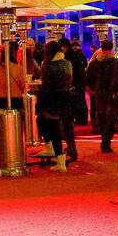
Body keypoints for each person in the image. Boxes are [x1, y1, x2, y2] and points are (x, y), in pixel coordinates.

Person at [38, 38, 77, 171]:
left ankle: (59, 159)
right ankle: (71, 152)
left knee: (52, 129)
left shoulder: (48, 66)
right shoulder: (68, 64)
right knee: (67, 128)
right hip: (66, 99)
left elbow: (46, 87)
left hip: (52, 101)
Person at [86, 40, 118, 150]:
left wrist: (91, 88)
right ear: (111, 48)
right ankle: (106, 140)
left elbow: (89, 76)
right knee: (111, 116)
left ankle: (103, 135)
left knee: (101, 114)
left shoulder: (95, 62)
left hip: (99, 91)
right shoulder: (115, 62)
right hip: (111, 92)